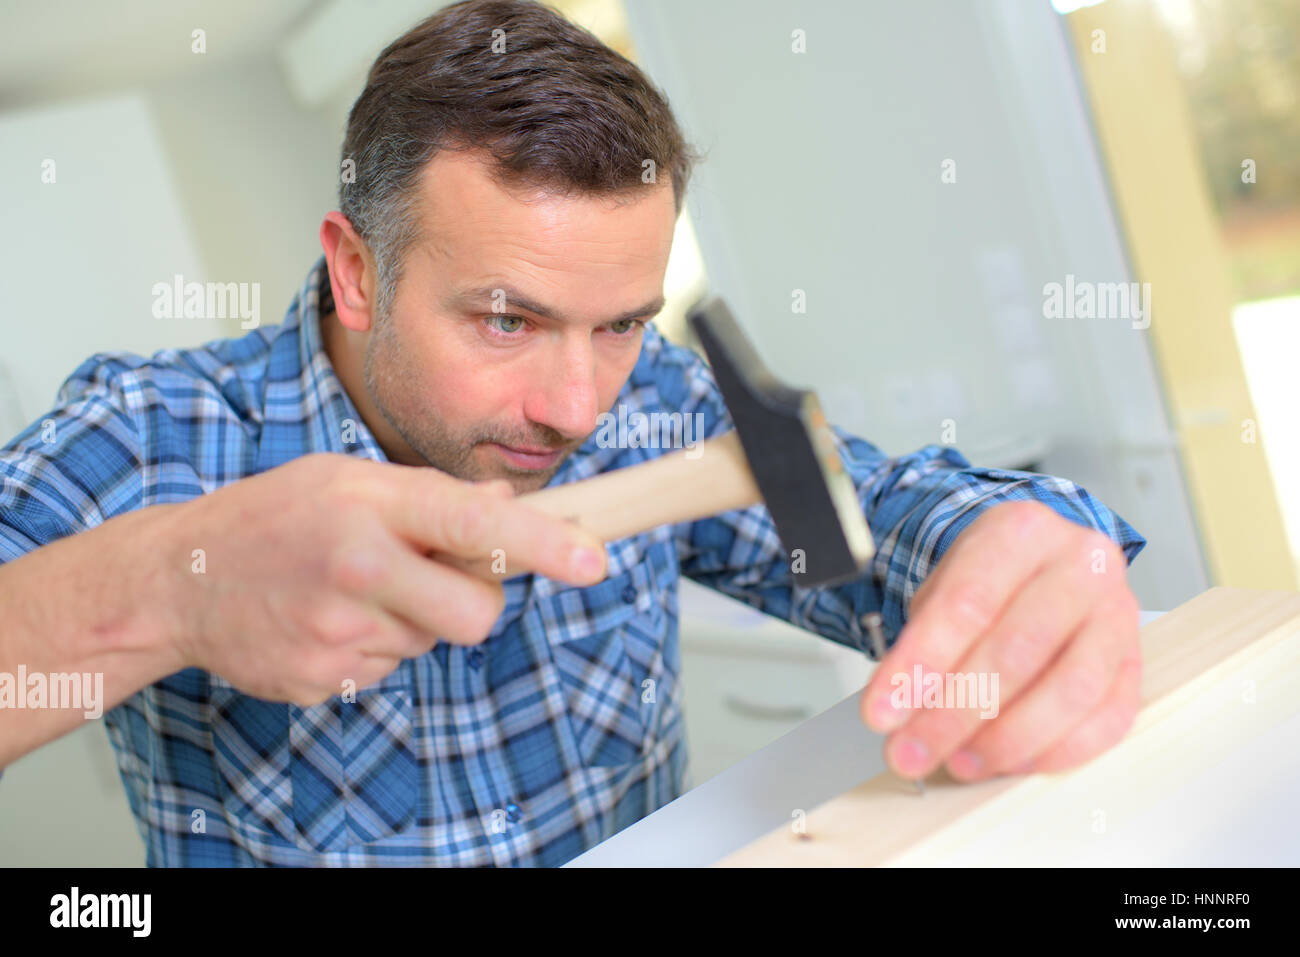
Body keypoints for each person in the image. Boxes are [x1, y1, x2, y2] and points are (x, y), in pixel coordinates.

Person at [0, 0, 1145, 866]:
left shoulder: (663, 414)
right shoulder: (157, 432)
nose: (577, 405)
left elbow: (881, 519)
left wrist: (1017, 542)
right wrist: (166, 588)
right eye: (508, 319)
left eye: (621, 325)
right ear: (357, 272)